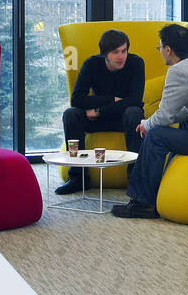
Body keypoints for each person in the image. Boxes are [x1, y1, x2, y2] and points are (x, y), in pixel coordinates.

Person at [112, 23, 188, 219]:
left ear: (168, 49)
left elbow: (165, 116)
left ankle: (142, 203)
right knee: (177, 125)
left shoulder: (179, 71)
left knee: (156, 135)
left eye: (159, 47)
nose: (160, 52)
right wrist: (151, 121)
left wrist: (146, 124)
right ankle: (163, 188)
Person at [57, 29, 144, 195]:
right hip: (97, 118)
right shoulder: (92, 64)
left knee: (134, 112)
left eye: (124, 51)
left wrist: (100, 110)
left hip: (122, 118)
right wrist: (111, 99)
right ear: (105, 54)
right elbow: (76, 99)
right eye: (115, 52)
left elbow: (135, 100)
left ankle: (136, 179)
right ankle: (77, 177)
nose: (121, 56)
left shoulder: (136, 63)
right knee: (70, 114)